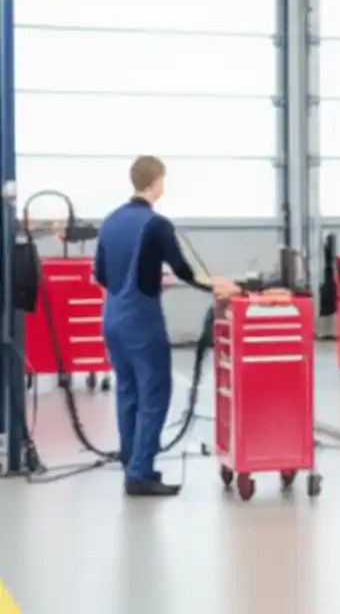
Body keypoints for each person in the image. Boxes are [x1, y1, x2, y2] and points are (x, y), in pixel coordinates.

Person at [95, 156, 240, 496]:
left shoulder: (110, 221)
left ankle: (132, 462)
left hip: (112, 317)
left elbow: (101, 274)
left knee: (128, 391)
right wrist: (217, 286)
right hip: (141, 320)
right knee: (155, 393)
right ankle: (141, 472)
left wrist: (144, 280)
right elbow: (184, 270)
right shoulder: (157, 224)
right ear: (156, 181)